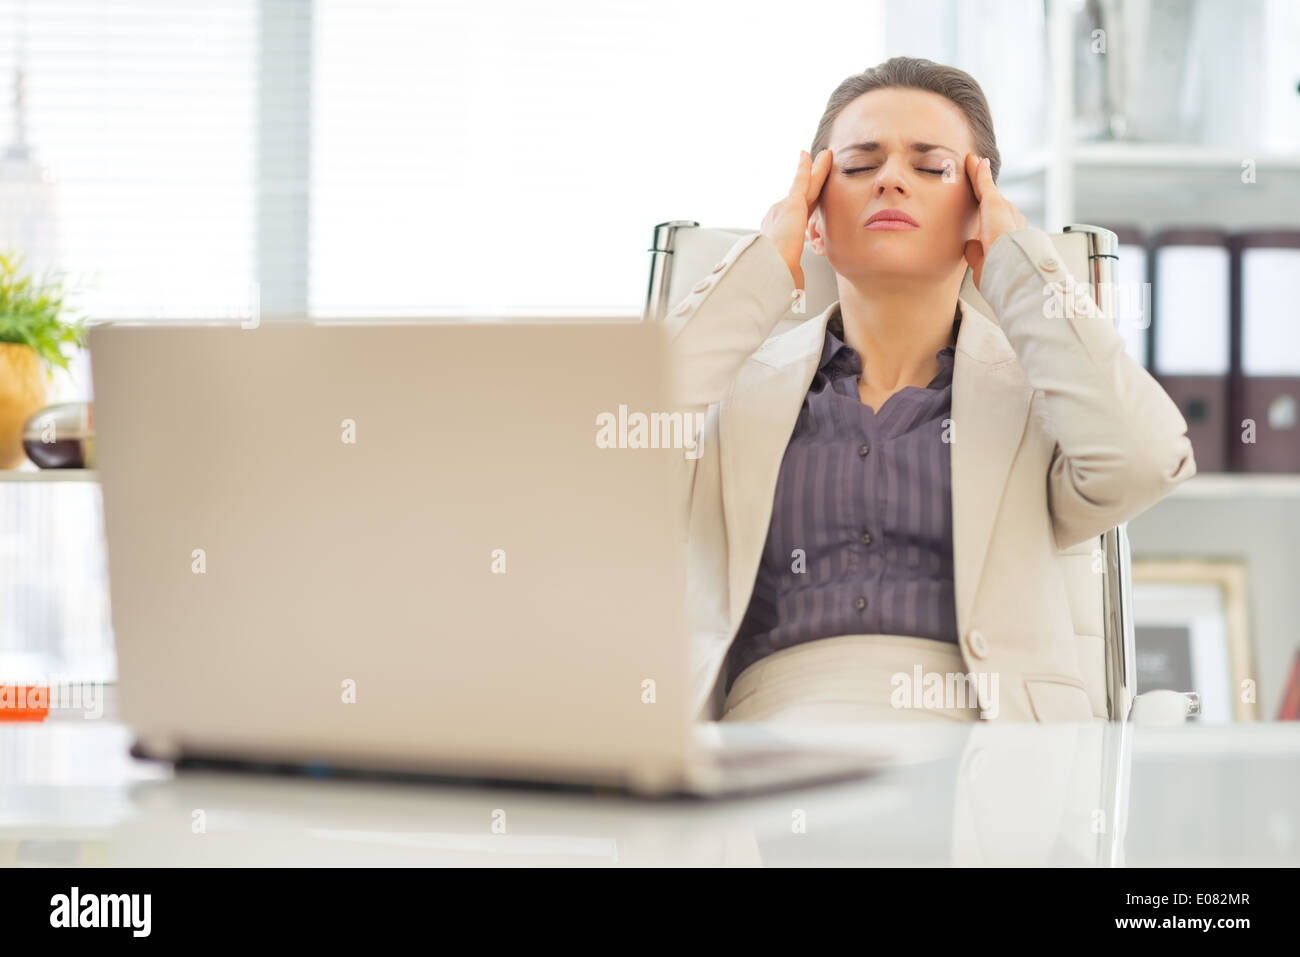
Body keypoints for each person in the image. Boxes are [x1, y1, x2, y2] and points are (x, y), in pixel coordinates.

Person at [663, 56, 1197, 725]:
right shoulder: (734, 389)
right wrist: (770, 256)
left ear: (980, 212)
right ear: (816, 222)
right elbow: (604, 448)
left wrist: (1016, 262)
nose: (890, 179)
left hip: (993, 768)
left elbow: (1144, 458)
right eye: (858, 166)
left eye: (931, 166)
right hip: (768, 760)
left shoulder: (1045, 398)